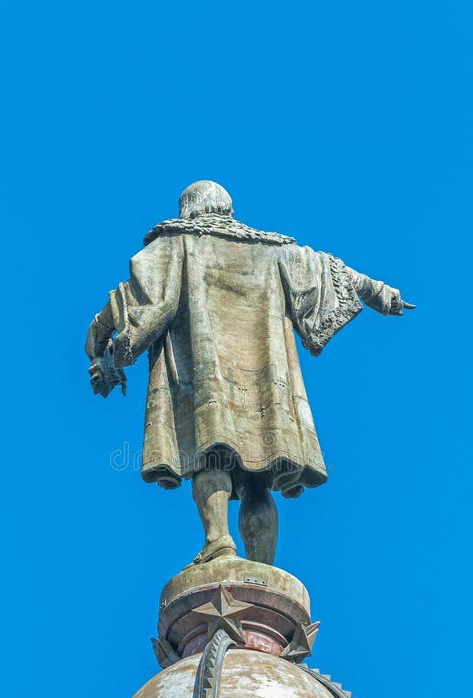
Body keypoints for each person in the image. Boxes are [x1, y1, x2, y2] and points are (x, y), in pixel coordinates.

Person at [86, 181, 413, 565]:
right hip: (266, 387)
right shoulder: (272, 251)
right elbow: (328, 268)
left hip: (204, 379)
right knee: (258, 479)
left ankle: (218, 540)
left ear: (188, 209)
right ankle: (262, 566)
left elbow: (136, 298)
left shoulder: (176, 244)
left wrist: (99, 343)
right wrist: (376, 290)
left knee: (212, 457)